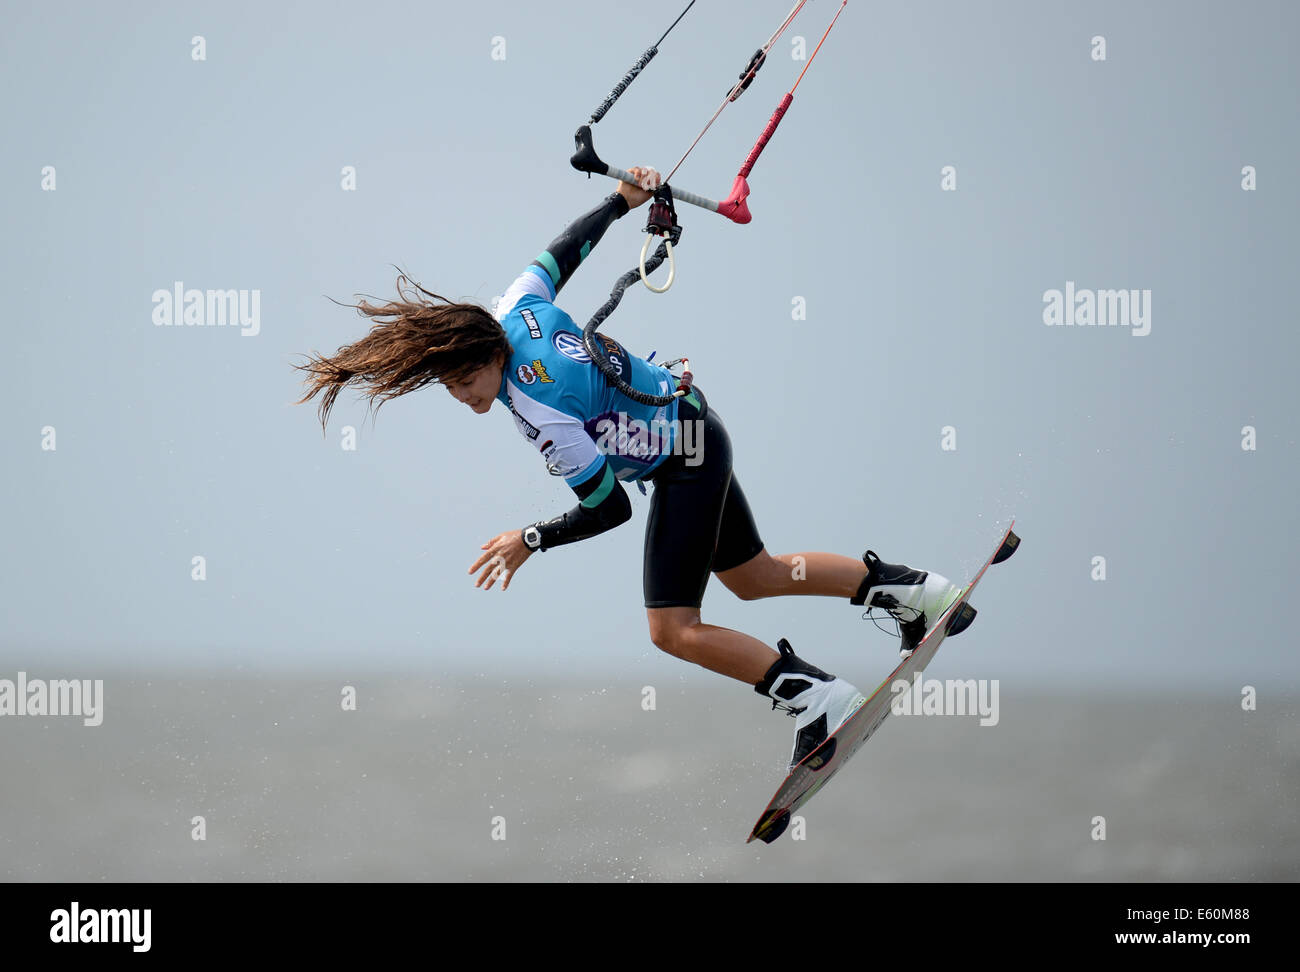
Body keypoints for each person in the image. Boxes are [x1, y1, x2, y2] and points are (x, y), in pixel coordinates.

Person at [294, 167, 968, 770]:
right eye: (449, 387)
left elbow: (610, 508)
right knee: (754, 576)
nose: (462, 396)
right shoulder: (512, 308)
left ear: (488, 358)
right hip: (697, 428)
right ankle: (918, 593)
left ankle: (820, 700)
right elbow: (561, 252)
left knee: (672, 629)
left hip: (683, 458)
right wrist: (619, 200)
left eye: (464, 381)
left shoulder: (540, 409)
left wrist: (529, 540)